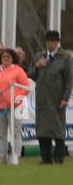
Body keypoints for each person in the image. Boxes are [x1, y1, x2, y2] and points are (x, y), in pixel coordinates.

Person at [0, 48, 31, 164]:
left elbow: (26, 87)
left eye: (8, 56)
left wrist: (16, 98)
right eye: (4, 56)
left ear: (13, 58)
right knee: (1, 133)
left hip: (15, 107)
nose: (6, 59)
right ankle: (2, 156)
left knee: (16, 132)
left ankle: (15, 155)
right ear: (0, 58)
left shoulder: (18, 70)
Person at [32, 29, 72, 165]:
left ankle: (59, 157)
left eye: (54, 41)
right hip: (42, 98)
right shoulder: (39, 56)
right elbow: (29, 74)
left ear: (58, 42)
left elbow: (69, 80)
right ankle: (46, 158)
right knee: (42, 129)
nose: (51, 44)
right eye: (49, 41)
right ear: (46, 42)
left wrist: (65, 98)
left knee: (58, 129)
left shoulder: (65, 57)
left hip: (57, 99)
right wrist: (37, 66)